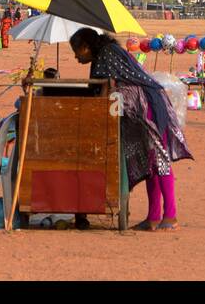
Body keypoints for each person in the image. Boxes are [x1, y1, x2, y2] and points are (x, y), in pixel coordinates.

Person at [68, 27, 192, 231]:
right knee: (149, 162)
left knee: (160, 160)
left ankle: (170, 215)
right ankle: (153, 217)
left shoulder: (107, 55)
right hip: (137, 110)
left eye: (77, 51)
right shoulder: (106, 55)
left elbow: (107, 89)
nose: (76, 57)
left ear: (85, 47)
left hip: (148, 107)